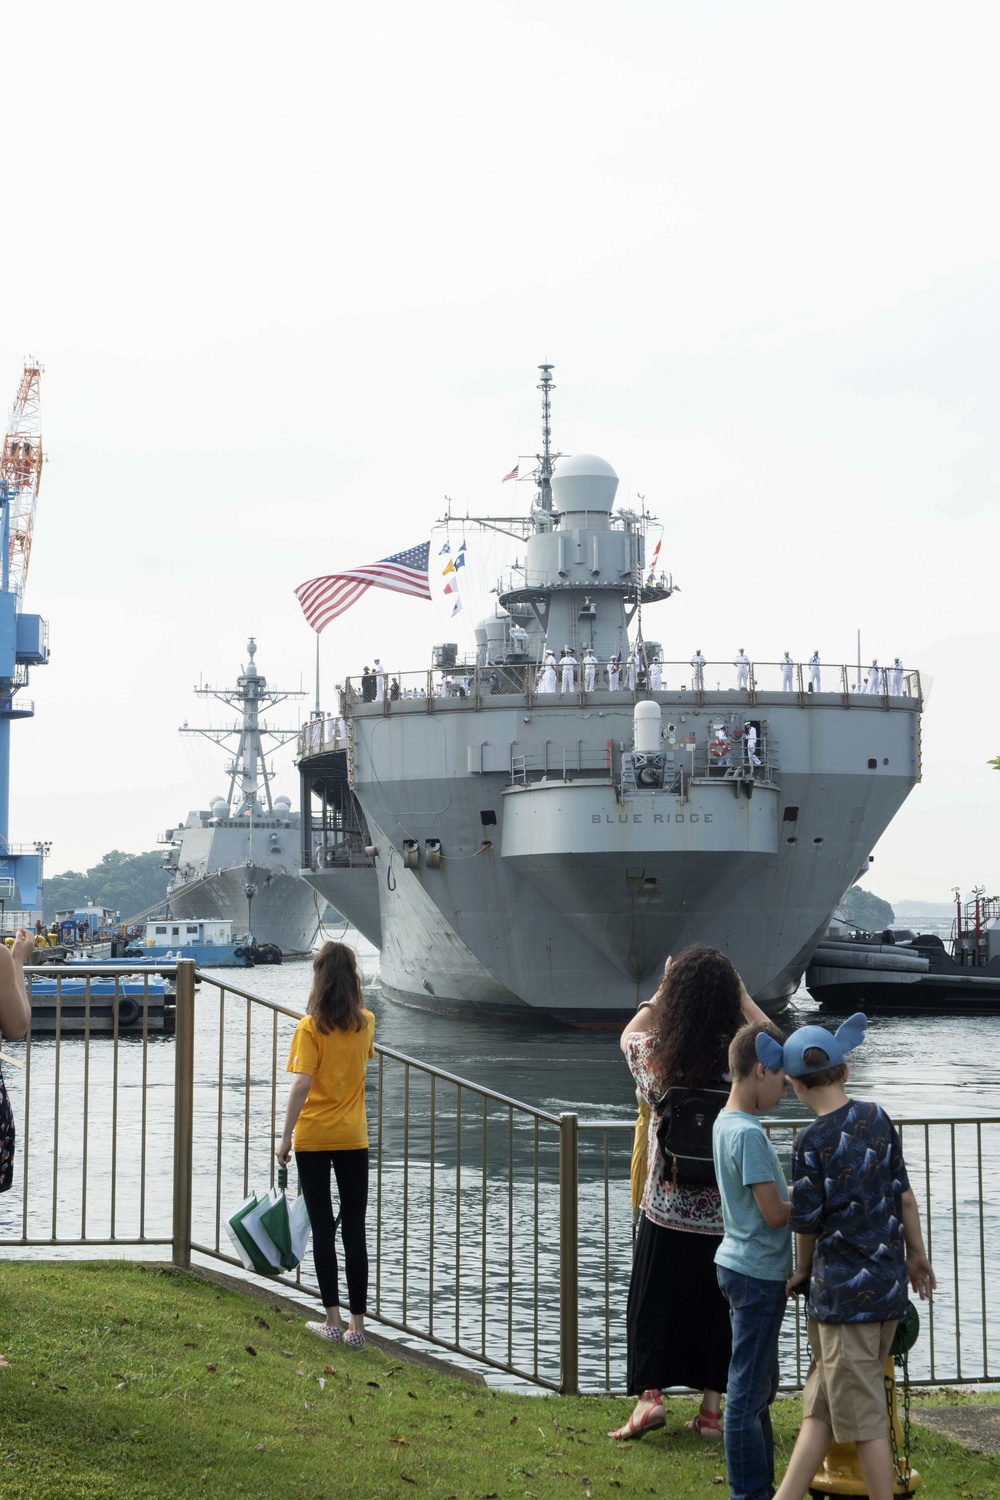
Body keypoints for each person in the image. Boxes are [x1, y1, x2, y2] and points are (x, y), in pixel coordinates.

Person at [759, 1016, 936, 1500]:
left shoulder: (810, 1143)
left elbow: (807, 1222)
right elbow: (905, 1199)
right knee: (824, 1408)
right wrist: (917, 1257)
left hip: (842, 1302)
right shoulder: (879, 1117)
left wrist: (799, 1270)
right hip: (885, 1293)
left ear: (792, 1083)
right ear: (846, 1070)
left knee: (865, 1421)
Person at [609, 946, 773, 1443]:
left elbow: (627, 1037)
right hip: (726, 1208)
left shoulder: (662, 1054)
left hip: (665, 1201)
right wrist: (744, 997)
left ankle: (649, 1401)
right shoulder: (741, 1062)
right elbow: (779, 1047)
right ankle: (709, 1412)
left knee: (652, 1302)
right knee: (715, 1309)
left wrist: (659, 993)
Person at [277, 942, 376, 1350]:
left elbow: (303, 1082)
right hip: (353, 1136)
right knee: (354, 1228)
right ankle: (358, 1328)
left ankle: (331, 1320)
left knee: (322, 1227)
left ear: (319, 978)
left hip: (315, 1137)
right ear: (353, 978)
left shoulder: (309, 1027)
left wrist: (284, 1138)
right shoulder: (366, 1022)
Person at [713, 1022, 791, 1500]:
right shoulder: (751, 1136)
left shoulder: (726, 1123)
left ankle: (761, 1485)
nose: (786, 1086)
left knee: (757, 1386)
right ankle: (750, 1492)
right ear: (761, 1068)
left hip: (737, 1264)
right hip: (758, 1273)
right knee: (745, 1395)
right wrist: (816, 1194)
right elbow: (775, 1214)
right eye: (781, 1076)